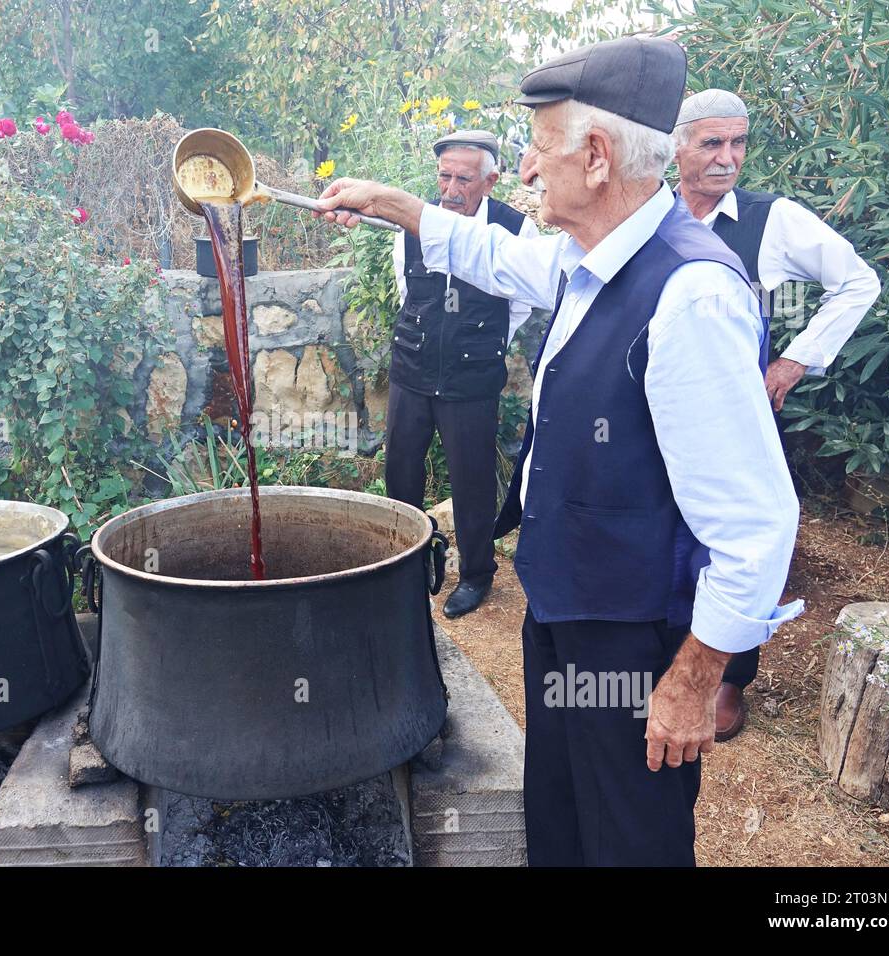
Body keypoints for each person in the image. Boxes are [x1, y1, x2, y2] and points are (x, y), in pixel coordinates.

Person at [316, 35, 802, 865]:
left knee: (629, 840)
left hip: (635, 640)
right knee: (565, 820)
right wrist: (393, 203)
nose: (531, 172)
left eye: (541, 148)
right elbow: (494, 255)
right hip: (568, 612)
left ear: (600, 156)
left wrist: (692, 683)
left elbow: (758, 525)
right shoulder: (590, 260)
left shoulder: (690, 296)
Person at [673, 89, 882, 741]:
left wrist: (793, 363)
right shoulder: (649, 216)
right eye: (712, 143)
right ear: (675, 146)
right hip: (656, 407)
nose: (728, 158)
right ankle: (669, 656)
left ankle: (731, 676)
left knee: (738, 536)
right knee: (666, 535)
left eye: (738, 143)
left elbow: (858, 281)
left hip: (738, 413)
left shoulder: (773, 220)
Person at [387, 129, 539, 619]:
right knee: (401, 471)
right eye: (444, 176)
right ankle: (403, 566)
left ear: (490, 181)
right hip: (411, 370)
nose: (451, 189)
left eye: (463, 179)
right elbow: (407, 289)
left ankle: (476, 574)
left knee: (471, 478)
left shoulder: (518, 231)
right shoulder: (414, 223)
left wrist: (481, 343)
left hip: (472, 379)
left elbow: (521, 303)